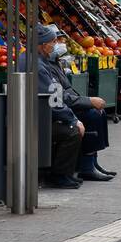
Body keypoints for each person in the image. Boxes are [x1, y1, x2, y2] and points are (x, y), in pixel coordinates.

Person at [33, 24, 87, 189]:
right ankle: (59, 175)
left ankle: (67, 172)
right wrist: (72, 119)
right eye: (53, 41)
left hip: (40, 114)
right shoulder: (39, 66)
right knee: (72, 131)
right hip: (37, 120)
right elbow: (54, 99)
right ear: (43, 45)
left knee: (79, 121)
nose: (55, 44)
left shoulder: (41, 61)